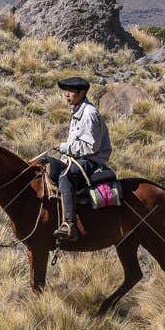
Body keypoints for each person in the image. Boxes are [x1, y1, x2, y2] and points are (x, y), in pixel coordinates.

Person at [47, 76, 111, 240]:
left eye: (70, 91)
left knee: (65, 177)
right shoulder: (77, 110)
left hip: (91, 161)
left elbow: (91, 147)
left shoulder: (89, 113)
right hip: (77, 158)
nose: (66, 94)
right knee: (46, 165)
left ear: (82, 92)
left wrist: (65, 148)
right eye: (65, 91)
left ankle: (69, 225)